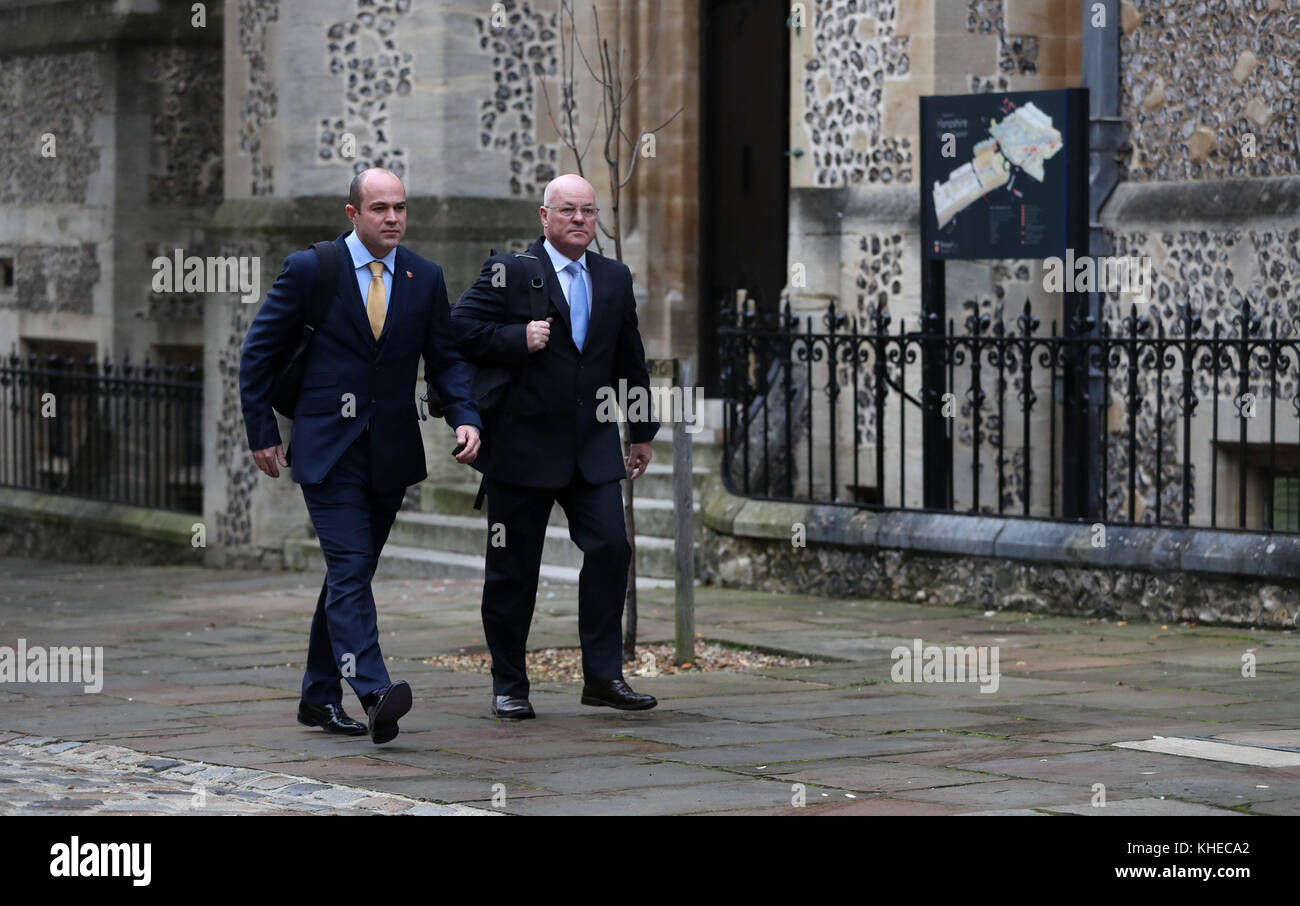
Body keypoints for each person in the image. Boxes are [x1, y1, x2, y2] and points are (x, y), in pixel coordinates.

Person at [239, 168, 481, 744]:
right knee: (350, 569)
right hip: (327, 449)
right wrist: (261, 433)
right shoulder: (311, 269)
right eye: (379, 208)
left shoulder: (425, 276)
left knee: (350, 575)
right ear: (354, 214)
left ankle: (318, 698)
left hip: (391, 453)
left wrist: (466, 415)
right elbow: (257, 353)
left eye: (400, 207)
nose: (393, 217)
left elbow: (445, 359)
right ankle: (373, 691)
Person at [451, 173, 658, 719]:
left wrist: (642, 431)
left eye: (588, 212)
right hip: (521, 450)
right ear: (543, 217)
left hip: (591, 449)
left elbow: (629, 359)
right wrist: (516, 338)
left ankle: (603, 677)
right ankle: (510, 684)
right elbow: (458, 330)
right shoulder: (510, 272)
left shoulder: (614, 277)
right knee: (514, 569)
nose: (579, 220)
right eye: (567, 211)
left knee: (612, 549)